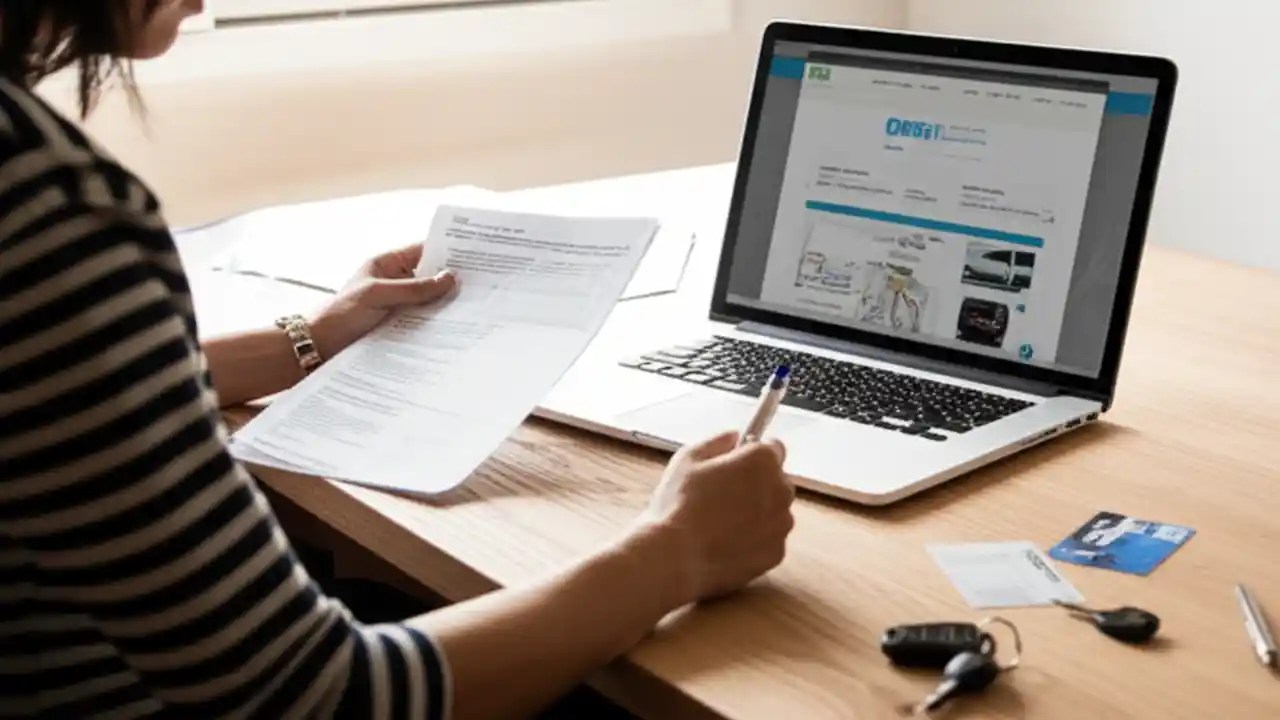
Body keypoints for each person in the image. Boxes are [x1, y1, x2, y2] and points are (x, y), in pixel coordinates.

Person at [0, 2, 797, 718]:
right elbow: (314, 693)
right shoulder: (52, 213)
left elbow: (54, 395)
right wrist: (671, 554)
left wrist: (304, 343)